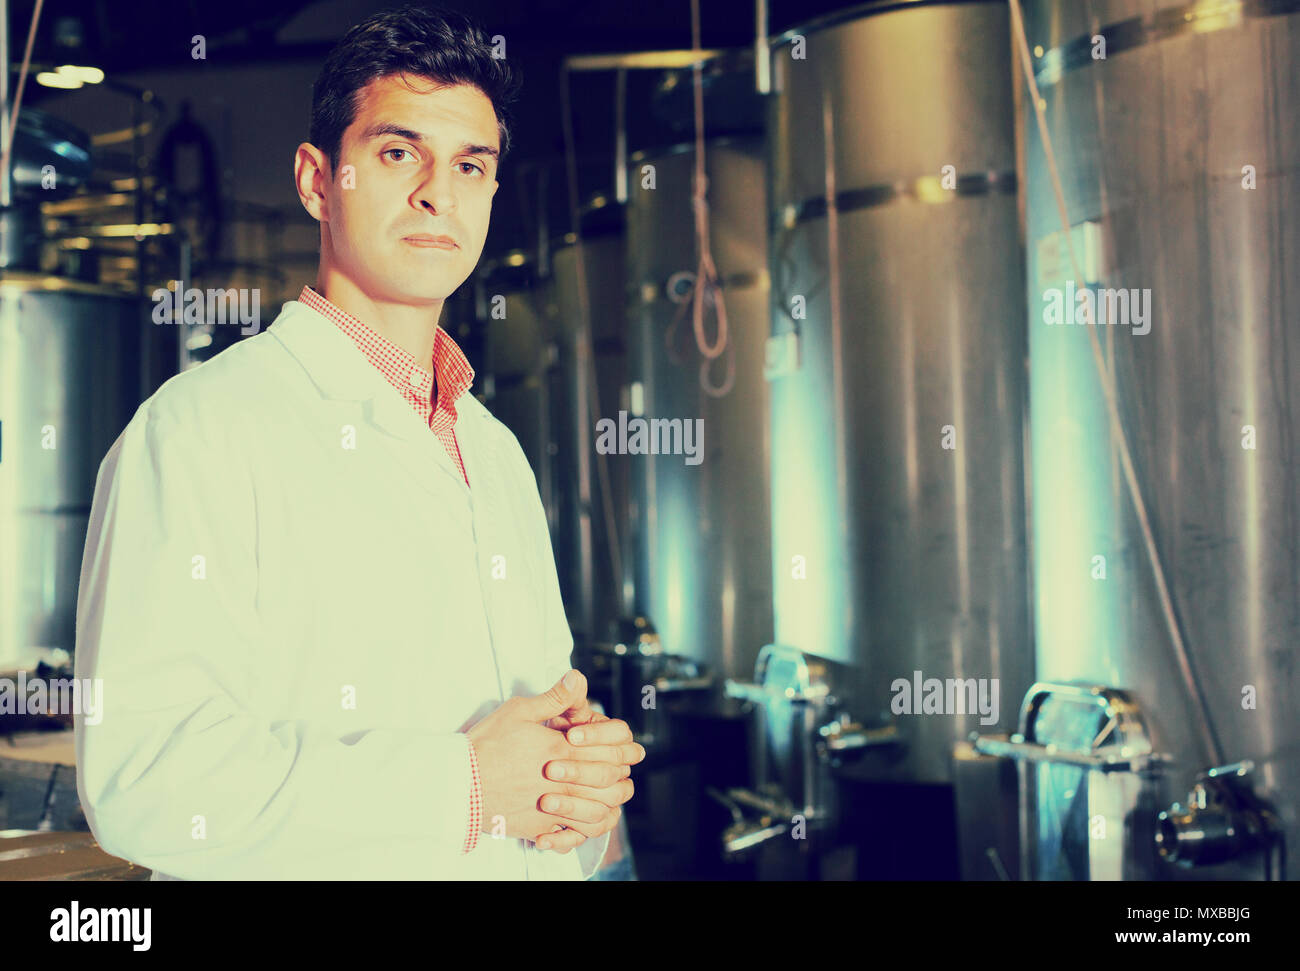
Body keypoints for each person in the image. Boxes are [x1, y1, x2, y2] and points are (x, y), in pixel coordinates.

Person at [73, 4, 642, 880]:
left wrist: (580, 785)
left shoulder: (494, 452)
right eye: (395, 152)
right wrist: (464, 786)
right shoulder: (197, 434)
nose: (435, 192)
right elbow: (145, 780)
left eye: (470, 165)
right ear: (315, 179)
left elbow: (531, 738)